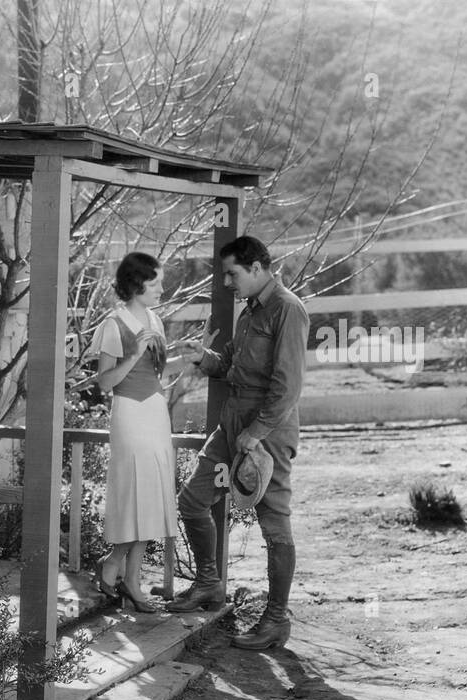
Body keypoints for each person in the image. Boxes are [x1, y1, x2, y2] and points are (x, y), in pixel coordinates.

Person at [167, 235, 309, 651]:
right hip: (233, 424)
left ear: (258, 267)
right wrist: (202, 359)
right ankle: (209, 583)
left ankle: (276, 619)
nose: (227, 281)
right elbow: (228, 364)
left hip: (269, 432)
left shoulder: (288, 309)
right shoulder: (250, 312)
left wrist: (256, 432)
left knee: (273, 521)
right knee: (193, 498)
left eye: (232, 273)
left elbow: (287, 389)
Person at [93, 252, 181, 613]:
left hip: (155, 412)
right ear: (135, 284)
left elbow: (156, 372)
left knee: (153, 495)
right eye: (156, 282)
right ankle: (116, 566)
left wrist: (190, 355)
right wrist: (133, 354)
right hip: (129, 412)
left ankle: (127, 575)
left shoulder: (155, 319)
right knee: (133, 491)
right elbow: (104, 383)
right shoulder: (114, 324)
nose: (162, 288)